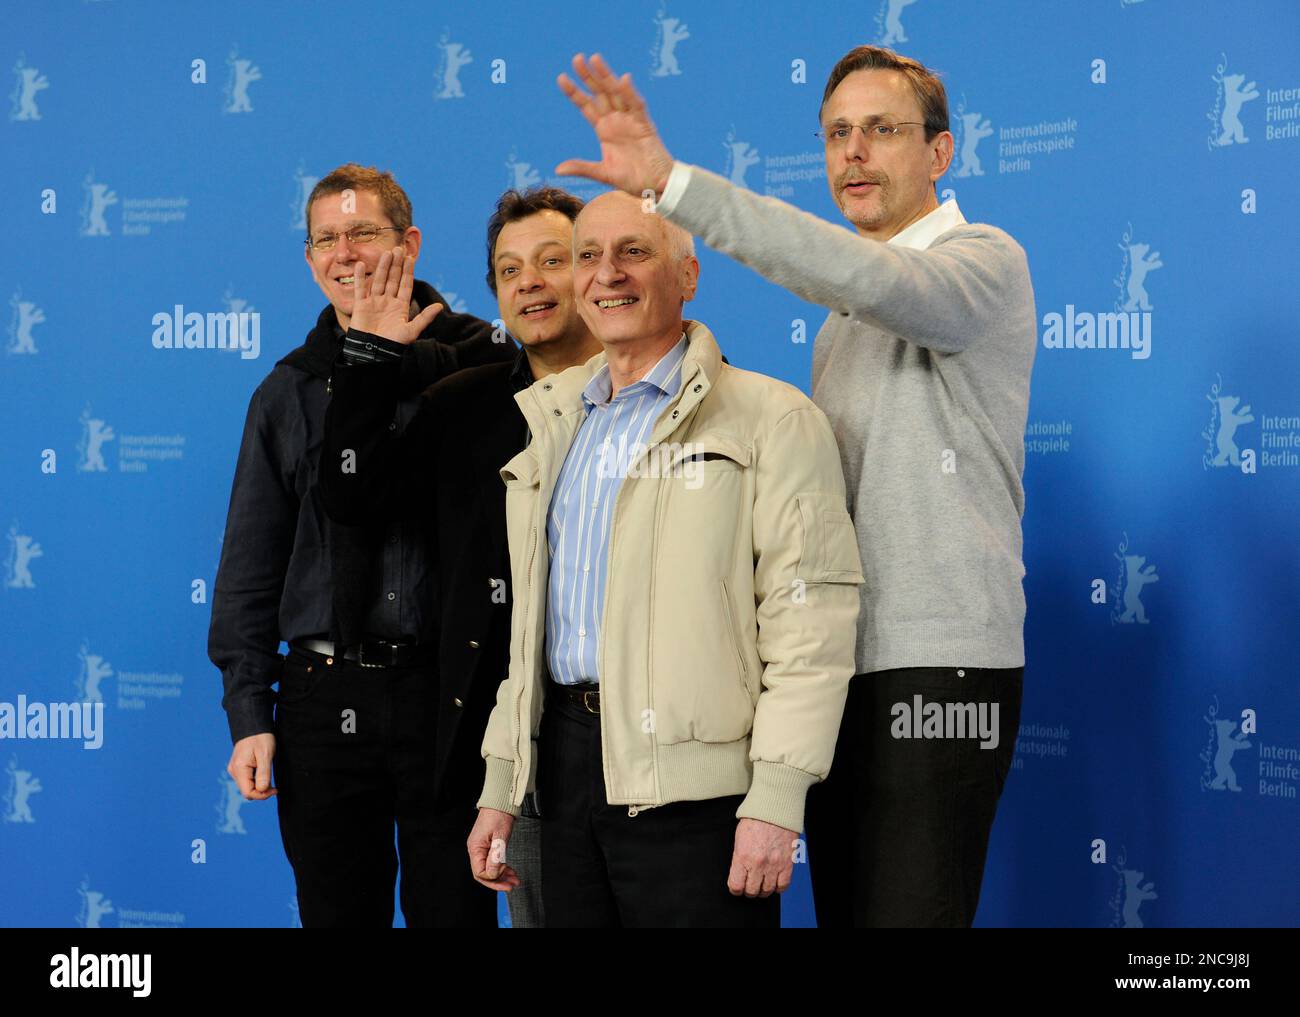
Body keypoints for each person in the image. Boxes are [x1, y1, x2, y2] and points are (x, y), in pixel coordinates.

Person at [553, 47, 1034, 927]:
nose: (853, 152)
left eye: (882, 130)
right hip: (842, 665)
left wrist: (674, 186)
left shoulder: (983, 261)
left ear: (941, 152)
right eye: (837, 134)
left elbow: (865, 274)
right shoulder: (841, 324)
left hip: (937, 673)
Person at [463, 190, 863, 927]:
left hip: (699, 794)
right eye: (589, 256)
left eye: (634, 252)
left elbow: (812, 622)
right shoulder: (552, 425)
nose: (607, 274)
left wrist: (777, 795)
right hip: (564, 770)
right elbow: (531, 637)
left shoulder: (773, 418)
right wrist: (500, 784)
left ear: (688, 275)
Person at [209, 162, 511, 927]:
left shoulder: (486, 366)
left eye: (364, 234)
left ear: (409, 244)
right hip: (321, 698)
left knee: (457, 916)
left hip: (447, 696)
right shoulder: (286, 392)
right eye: (326, 239)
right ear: (310, 260)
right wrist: (250, 709)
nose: (345, 254)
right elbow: (250, 564)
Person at [319, 186, 603, 929]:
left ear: (598, 270)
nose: (530, 282)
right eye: (510, 271)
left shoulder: (679, 397)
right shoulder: (467, 404)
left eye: (553, 260)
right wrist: (371, 357)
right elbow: (351, 494)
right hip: (520, 742)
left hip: (664, 741)